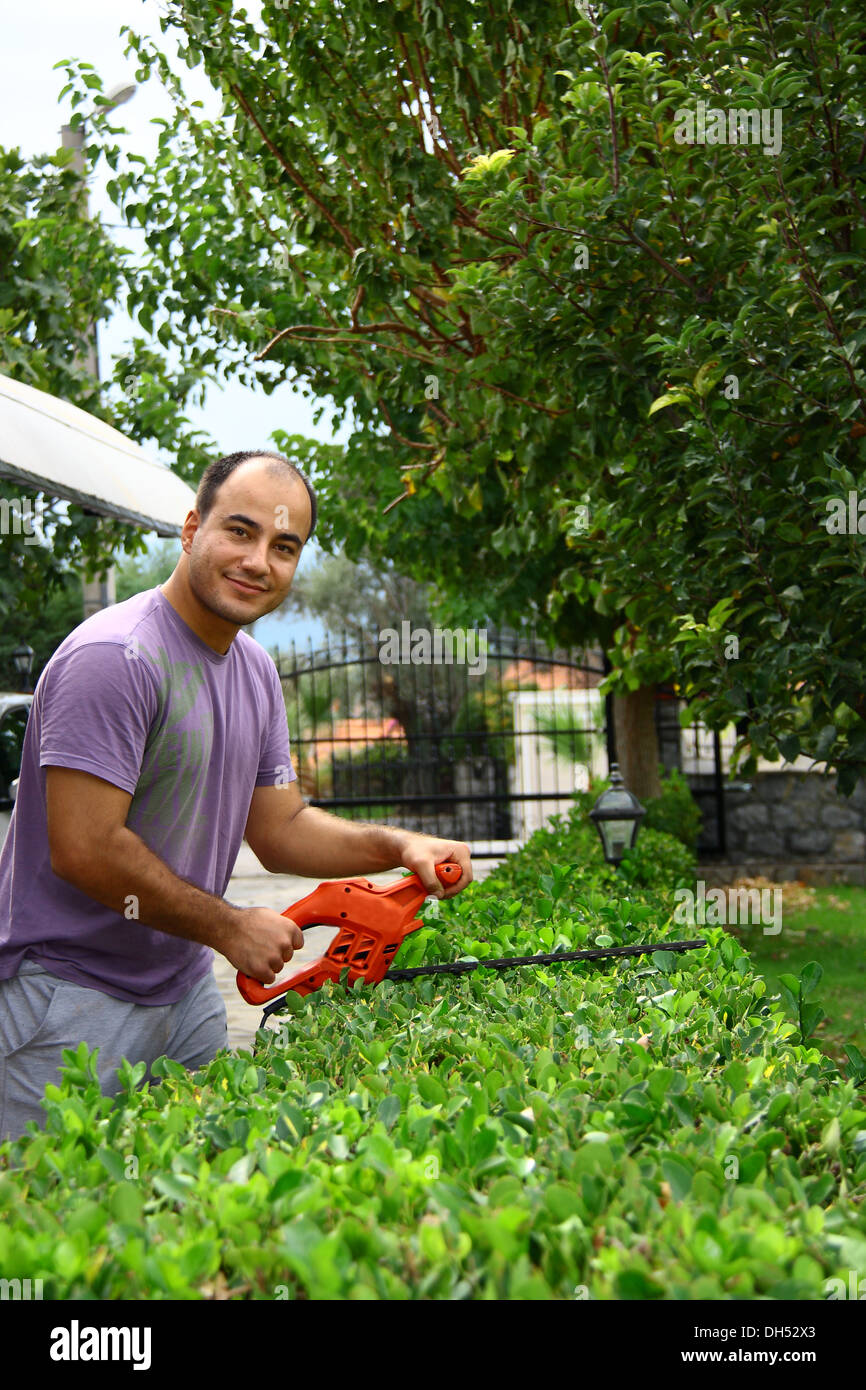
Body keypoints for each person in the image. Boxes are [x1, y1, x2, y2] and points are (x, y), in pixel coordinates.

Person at [0, 450, 472, 1143]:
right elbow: (83, 848)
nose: (259, 562)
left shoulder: (252, 669)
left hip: (183, 995)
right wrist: (228, 928)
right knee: (39, 1222)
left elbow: (279, 828)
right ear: (192, 529)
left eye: (284, 547)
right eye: (239, 532)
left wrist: (399, 844)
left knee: (183, 1217)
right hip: (68, 1000)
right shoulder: (114, 658)